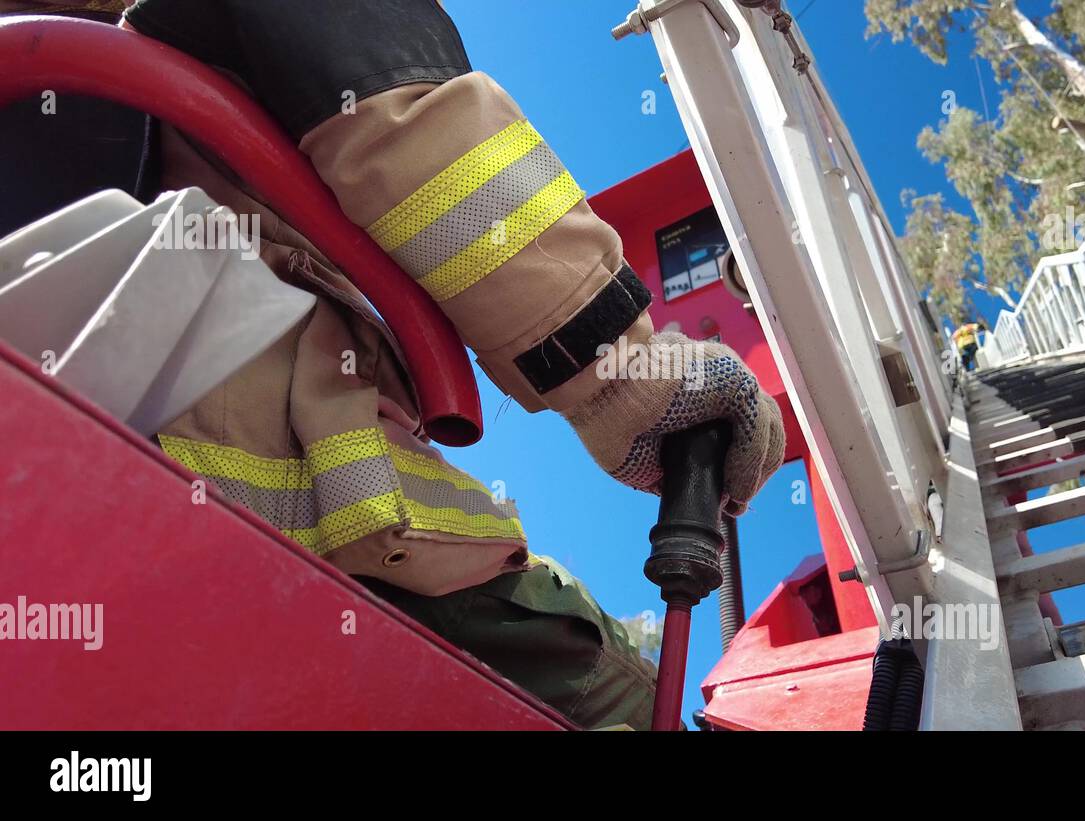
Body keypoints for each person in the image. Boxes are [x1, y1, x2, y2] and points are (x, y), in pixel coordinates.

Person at [3, 0, 786, 730]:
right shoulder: (104, 78)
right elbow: (415, 133)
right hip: (287, 522)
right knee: (623, 696)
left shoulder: (76, 95)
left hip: (100, 522)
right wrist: (623, 376)